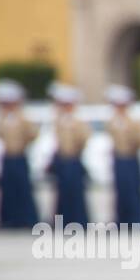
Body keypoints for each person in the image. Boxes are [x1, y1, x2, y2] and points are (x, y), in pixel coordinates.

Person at [0, 79, 39, 230]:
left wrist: (23, 143)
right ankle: (8, 219)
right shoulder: (2, 118)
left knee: (23, 189)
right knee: (7, 190)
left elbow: (32, 133)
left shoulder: (22, 117)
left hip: (19, 156)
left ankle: (27, 218)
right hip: (7, 156)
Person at [106, 84, 140, 228]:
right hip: (119, 158)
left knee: (133, 191)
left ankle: (137, 220)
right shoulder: (113, 120)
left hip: (131, 157)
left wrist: (133, 145)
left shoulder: (134, 121)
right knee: (121, 190)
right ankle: (121, 220)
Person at [49, 83, 90, 226]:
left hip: (73, 159)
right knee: (63, 192)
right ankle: (62, 220)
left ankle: (78, 220)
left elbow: (83, 139)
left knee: (75, 192)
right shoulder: (59, 121)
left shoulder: (77, 122)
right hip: (62, 160)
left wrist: (75, 151)